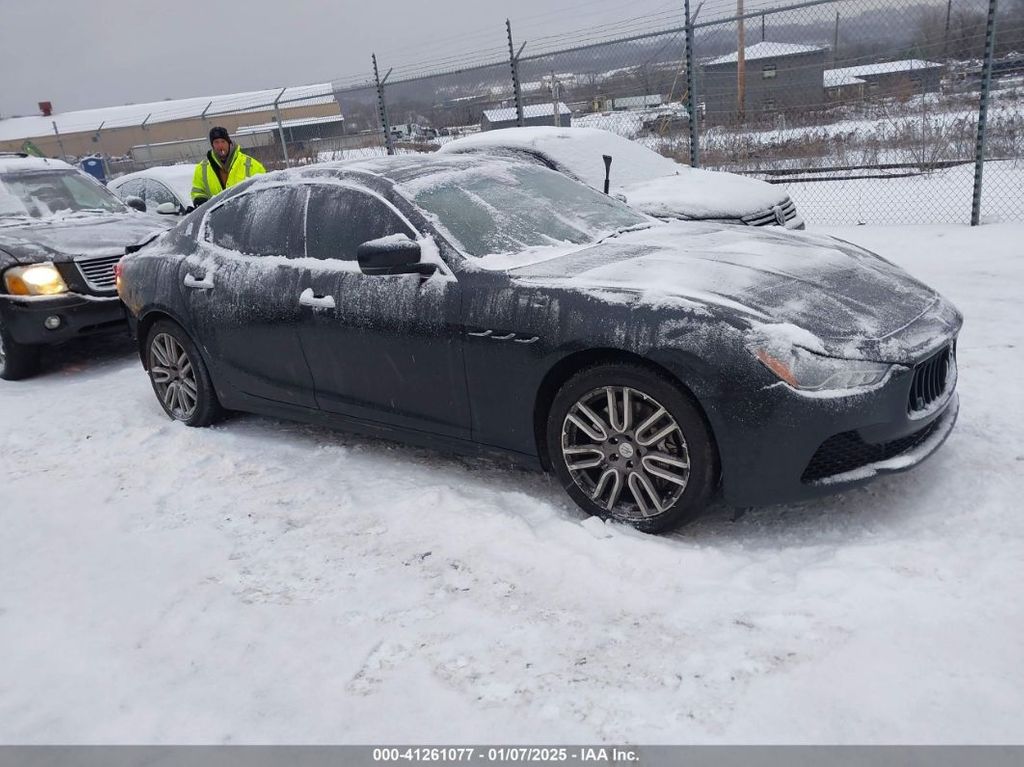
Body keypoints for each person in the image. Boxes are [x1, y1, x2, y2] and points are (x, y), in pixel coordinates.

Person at [191, 126, 265, 206]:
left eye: (223, 141)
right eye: (216, 142)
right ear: (212, 145)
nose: (220, 146)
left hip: (246, 213)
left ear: (229, 143)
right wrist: (199, 199)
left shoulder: (251, 165)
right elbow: (198, 191)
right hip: (217, 215)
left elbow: (263, 188)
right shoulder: (202, 168)